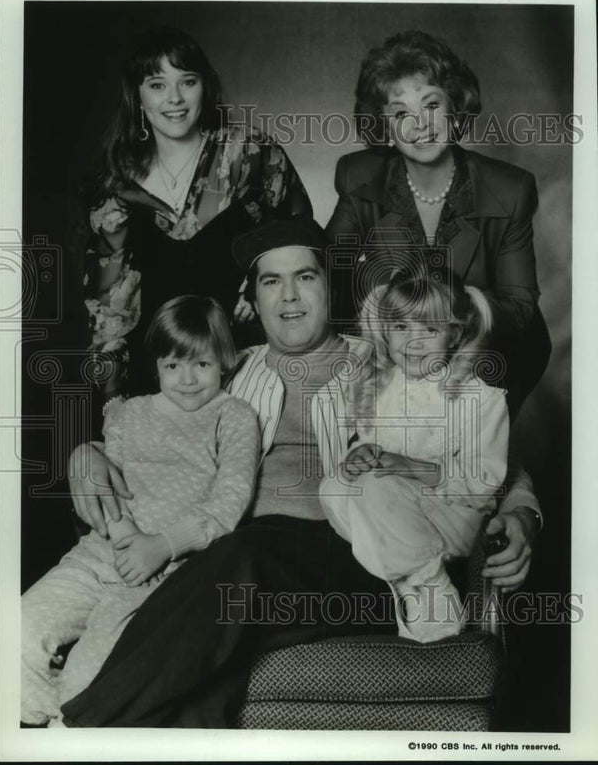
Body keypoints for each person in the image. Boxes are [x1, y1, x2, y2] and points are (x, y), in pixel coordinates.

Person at [61, 217, 541, 728]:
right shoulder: (225, 370)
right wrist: (86, 453)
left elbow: (489, 456)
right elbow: (156, 433)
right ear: (253, 296)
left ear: (328, 286)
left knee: (243, 559)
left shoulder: (386, 360)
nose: (289, 296)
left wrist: (523, 514)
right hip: (242, 567)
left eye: (305, 277)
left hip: (353, 557)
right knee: (217, 650)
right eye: (272, 281)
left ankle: (82, 730)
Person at [21, 295, 260, 727]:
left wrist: (162, 546)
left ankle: (65, 731)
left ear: (225, 361)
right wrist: (124, 534)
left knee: (87, 683)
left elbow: (230, 498)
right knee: (17, 630)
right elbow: (104, 483)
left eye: (202, 364)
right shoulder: (129, 413)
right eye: (173, 365)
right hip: (100, 554)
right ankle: (42, 729)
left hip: (163, 575)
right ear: (157, 366)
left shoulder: (235, 416)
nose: (187, 379)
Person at [326, 30, 551, 416]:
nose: (420, 125)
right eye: (401, 113)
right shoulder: (359, 178)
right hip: (397, 360)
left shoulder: (510, 188)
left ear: (455, 107)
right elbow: (330, 269)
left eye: (431, 105)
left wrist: (443, 312)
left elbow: (518, 307)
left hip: (488, 357)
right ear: (383, 125)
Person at [83, 25, 311, 405]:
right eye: (157, 85)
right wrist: (114, 406)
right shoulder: (116, 186)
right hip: (158, 379)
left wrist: (257, 283)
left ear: (205, 86)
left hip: (248, 368)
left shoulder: (248, 153)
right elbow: (109, 313)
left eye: (187, 81)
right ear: (137, 96)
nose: (174, 98)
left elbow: (300, 237)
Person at [320, 265, 509, 642]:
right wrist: (360, 455)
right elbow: (369, 443)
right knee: (334, 486)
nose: (413, 342)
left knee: (374, 488)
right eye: (401, 327)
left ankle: (430, 587)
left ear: (455, 335)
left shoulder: (480, 399)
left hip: (454, 515)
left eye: (430, 330)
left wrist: (409, 466)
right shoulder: (380, 385)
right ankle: (407, 578)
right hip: (395, 511)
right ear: (385, 331)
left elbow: (483, 484)